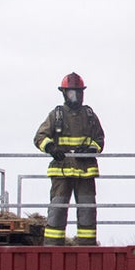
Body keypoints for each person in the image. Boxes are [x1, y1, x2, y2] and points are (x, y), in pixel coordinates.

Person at [34, 72, 106, 245]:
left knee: (87, 211)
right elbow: (39, 137)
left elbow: (100, 140)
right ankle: (52, 248)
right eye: (72, 92)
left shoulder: (89, 115)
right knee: (57, 210)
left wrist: (90, 150)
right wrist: (51, 147)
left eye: (78, 92)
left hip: (85, 171)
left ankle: (87, 246)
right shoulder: (56, 115)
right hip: (61, 171)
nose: (75, 96)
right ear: (65, 94)